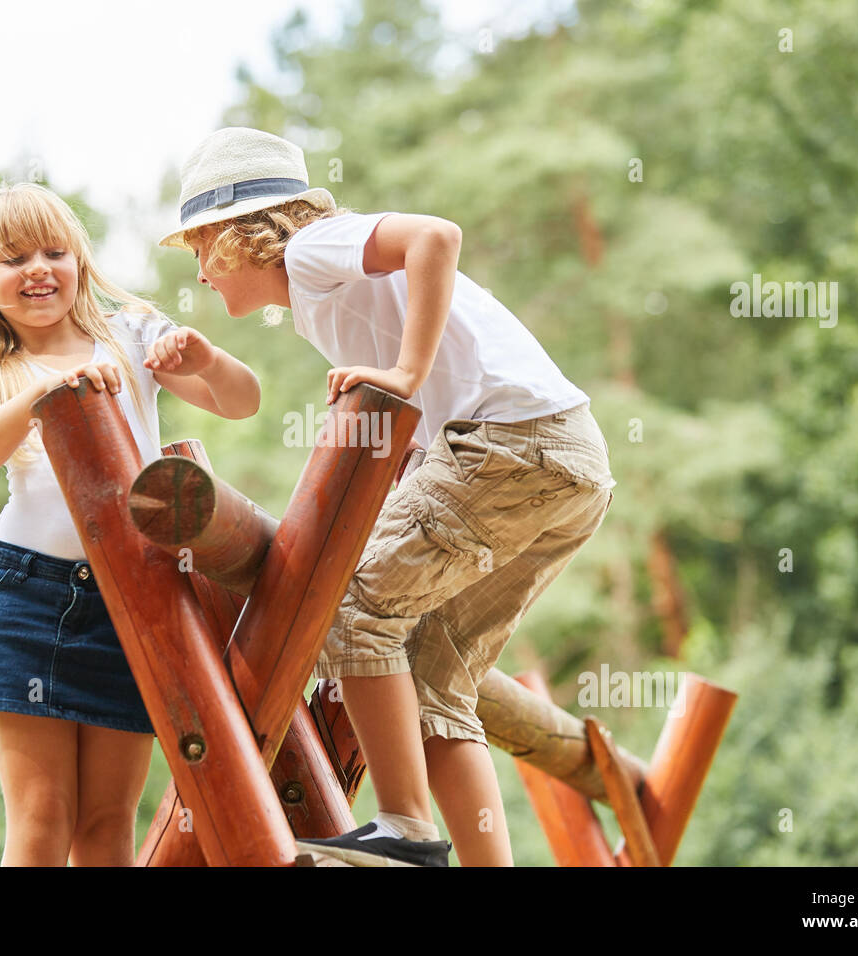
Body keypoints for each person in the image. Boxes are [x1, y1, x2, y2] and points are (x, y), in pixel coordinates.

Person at [159, 128, 616, 867]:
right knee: (437, 680)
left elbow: (436, 236)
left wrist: (404, 370)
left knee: (351, 602)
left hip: (511, 446)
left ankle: (407, 828)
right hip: (567, 461)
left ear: (235, 236)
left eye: (200, 250)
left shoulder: (312, 251)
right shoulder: (329, 300)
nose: (204, 278)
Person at [0, 181, 261, 865]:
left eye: (54, 252)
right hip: (28, 594)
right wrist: (46, 394)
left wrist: (207, 361)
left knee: (107, 826)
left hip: (135, 595)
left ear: (79, 259)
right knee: (42, 820)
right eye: (13, 259)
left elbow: (243, 402)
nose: (39, 269)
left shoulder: (130, 333)